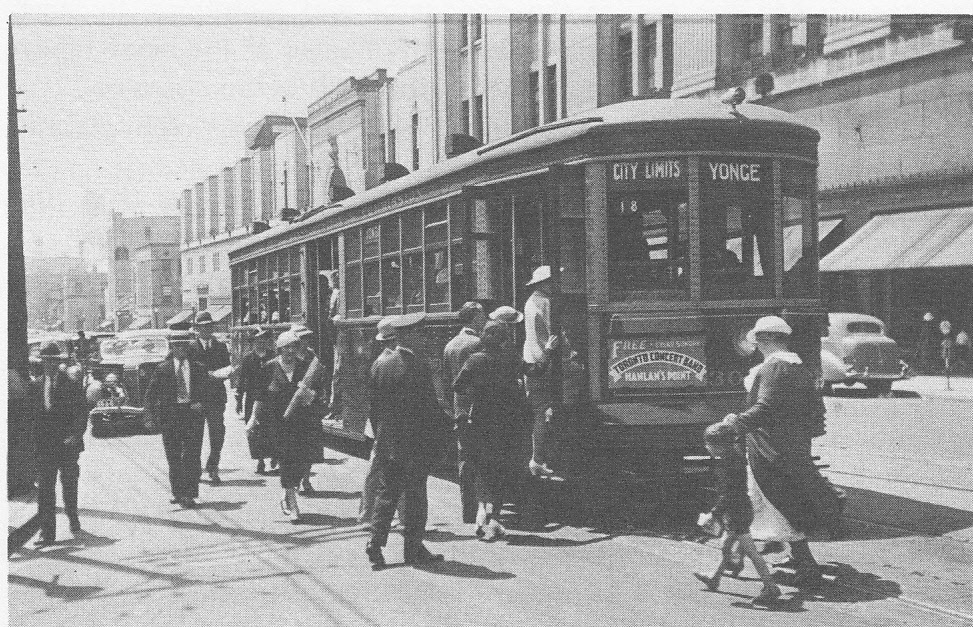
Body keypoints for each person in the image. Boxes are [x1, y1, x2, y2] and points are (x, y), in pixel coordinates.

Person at [724, 315, 840, 589]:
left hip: (769, 447)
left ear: (767, 340)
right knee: (763, 502)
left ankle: (806, 566)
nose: (758, 346)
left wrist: (735, 422)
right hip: (790, 445)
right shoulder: (800, 367)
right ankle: (736, 559)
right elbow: (813, 410)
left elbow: (765, 408)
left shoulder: (774, 368)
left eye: (759, 340)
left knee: (775, 504)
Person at [366, 313, 448, 569]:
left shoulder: (379, 363)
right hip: (414, 442)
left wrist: (382, 436)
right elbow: (429, 408)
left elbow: (374, 408)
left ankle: (375, 543)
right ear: (408, 335)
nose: (425, 338)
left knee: (387, 494)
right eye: (421, 334)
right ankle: (413, 548)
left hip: (389, 441)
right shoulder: (415, 364)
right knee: (414, 496)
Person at [452, 321, 528, 540]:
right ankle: (495, 517)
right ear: (503, 339)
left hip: (481, 421)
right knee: (501, 468)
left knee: (483, 467)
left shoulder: (474, 360)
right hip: (506, 422)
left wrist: (478, 389)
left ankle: (481, 512)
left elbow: (457, 386)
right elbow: (535, 370)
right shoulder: (511, 359)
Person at [694, 422, 782, 604]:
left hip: (737, 512)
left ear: (719, 446)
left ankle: (770, 586)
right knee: (726, 545)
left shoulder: (728, 465)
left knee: (751, 552)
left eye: (708, 444)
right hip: (741, 509)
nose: (706, 447)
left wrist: (713, 514)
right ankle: (715, 577)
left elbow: (728, 494)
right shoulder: (734, 458)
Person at [32, 343, 88, 546]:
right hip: (46, 446)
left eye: (53, 361)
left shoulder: (71, 384)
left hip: (67, 444)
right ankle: (47, 533)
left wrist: (75, 434)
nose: (50, 365)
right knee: (45, 488)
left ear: (59, 362)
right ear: (42, 363)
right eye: (46, 361)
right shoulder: (36, 385)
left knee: (69, 484)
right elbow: (33, 419)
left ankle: (73, 519)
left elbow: (82, 412)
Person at [257, 330, 316, 523]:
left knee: (300, 462)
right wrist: (252, 419)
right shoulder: (268, 368)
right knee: (286, 462)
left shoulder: (306, 368)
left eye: (294, 347)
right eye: (286, 348)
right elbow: (260, 397)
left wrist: (309, 396)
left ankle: (287, 492)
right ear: (279, 349)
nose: (290, 351)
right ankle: (293, 504)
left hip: (301, 422)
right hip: (277, 424)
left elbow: (316, 393)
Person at [144, 337, 208, 508]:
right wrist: (149, 418)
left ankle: (190, 493)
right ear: (172, 347)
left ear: (188, 348)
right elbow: (150, 395)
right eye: (177, 346)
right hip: (170, 418)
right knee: (173, 456)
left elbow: (208, 392)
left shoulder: (198, 368)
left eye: (184, 346)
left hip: (192, 416)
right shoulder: (162, 369)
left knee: (191, 455)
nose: (181, 349)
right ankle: (178, 492)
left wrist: (200, 402)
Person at [443, 301, 487, 524]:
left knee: (464, 459)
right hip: (477, 408)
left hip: (458, 409)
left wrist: (452, 408)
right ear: (474, 318)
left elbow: (445, 382)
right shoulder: (477, 344)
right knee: (481, 458)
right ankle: (483, 507)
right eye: (481, 315)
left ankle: (467, 510)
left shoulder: (450, 344)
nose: (485, 318)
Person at [359, 315, 403, 525]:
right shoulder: (384, 363)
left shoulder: (383, 361)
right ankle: (368, 514)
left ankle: (398, 516)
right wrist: (378, 433)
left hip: (384, 426)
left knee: (384, 470)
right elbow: (376, 402)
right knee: (378, 469)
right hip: (385, 427)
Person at [522, 266, 559, 478]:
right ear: (545, 283)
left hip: (532, 360)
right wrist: (549, 353)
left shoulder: (531, 301)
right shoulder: (543, 302)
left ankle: (538, 457)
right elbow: (548, 337)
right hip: (541, 363)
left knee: (540, 411)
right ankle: (537, 458)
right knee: (542, 412)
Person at [192, 311, 232, 485]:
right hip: (197, 399)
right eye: (203, 327)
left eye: (209, 326)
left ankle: (213, 466)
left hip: (216, 397)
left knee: (217, 434)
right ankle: (195, 469)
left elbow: (226, 368)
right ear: (198, 329)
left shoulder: (221, 347)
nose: (207, 330)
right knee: (195, 436)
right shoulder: (191, 348)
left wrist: (224, 374)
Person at [291, 323, 327, 495]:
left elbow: (319, 379)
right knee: (296, 446)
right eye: (302, 339)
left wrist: (318, 395)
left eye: (307, 338)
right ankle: (295, 480)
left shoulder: (312, 356)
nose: (305, 342)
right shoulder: (288, 356)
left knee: (310, 445)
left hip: (311, 407)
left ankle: (305, 478)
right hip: (293, 406)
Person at [238, 328, 274, 474]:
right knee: (254, 430)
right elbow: (242, 379)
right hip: (252, 398)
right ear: (252, 343)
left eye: (263, 341)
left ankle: (274, 454)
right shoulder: (247, 359)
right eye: (257, 342)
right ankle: (260, 460)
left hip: (271, 398)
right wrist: (239, 398)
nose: (260, 344)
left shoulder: (273, 356)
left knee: (271, 427)